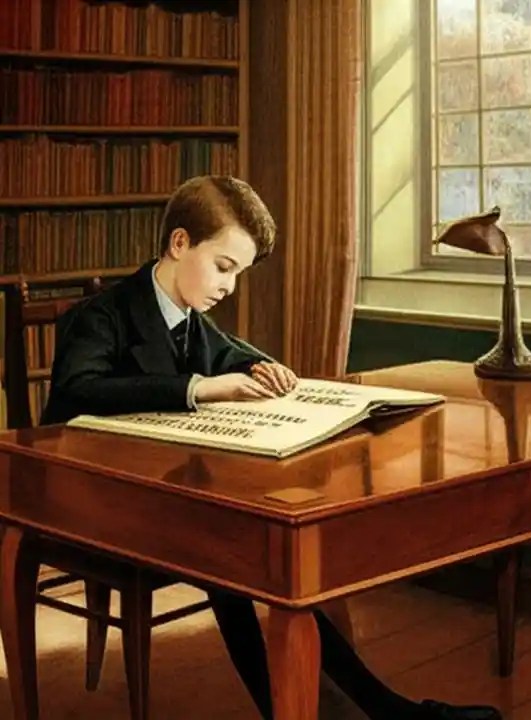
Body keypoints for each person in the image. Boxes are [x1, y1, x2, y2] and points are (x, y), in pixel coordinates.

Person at [43, 175, 499, 720]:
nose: (230, 287)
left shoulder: (189, 317)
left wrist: (263, 367)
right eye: (223, 267)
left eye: (239, 272)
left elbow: (231, 353)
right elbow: (77, 392)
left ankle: (372, 710)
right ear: (179, 243)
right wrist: (198, 388)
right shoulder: (101, 316)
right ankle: (378, 712)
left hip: (166, 498)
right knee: (232, 557)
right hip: (96, 503)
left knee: (254, 553)